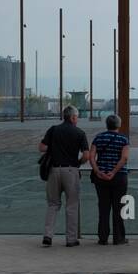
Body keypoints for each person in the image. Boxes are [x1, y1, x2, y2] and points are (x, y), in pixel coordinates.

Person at [39, 104, 88, 247]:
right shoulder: (80, 133)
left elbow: (41, 147)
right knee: (71, 205)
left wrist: (54, 148)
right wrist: (78, 163)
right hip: (71, 171)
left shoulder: (53, 130)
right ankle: (71, 239)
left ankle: (48, 235)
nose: (77, 119)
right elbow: (86, 155)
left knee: (53, 204)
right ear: (73, 117)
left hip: (54, 171)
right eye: (77, 117)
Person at [89, 114, 131, 245]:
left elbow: (91, 157)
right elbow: (124, 158)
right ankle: (119, 238)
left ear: (107, 124)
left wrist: (98, 171)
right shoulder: (123, 139)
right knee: (119, 208)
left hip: (101, 177)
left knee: (103, 207)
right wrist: (113, 172)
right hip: (119, 177)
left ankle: (103, 237)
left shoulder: (98, 138)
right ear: (118, 125)